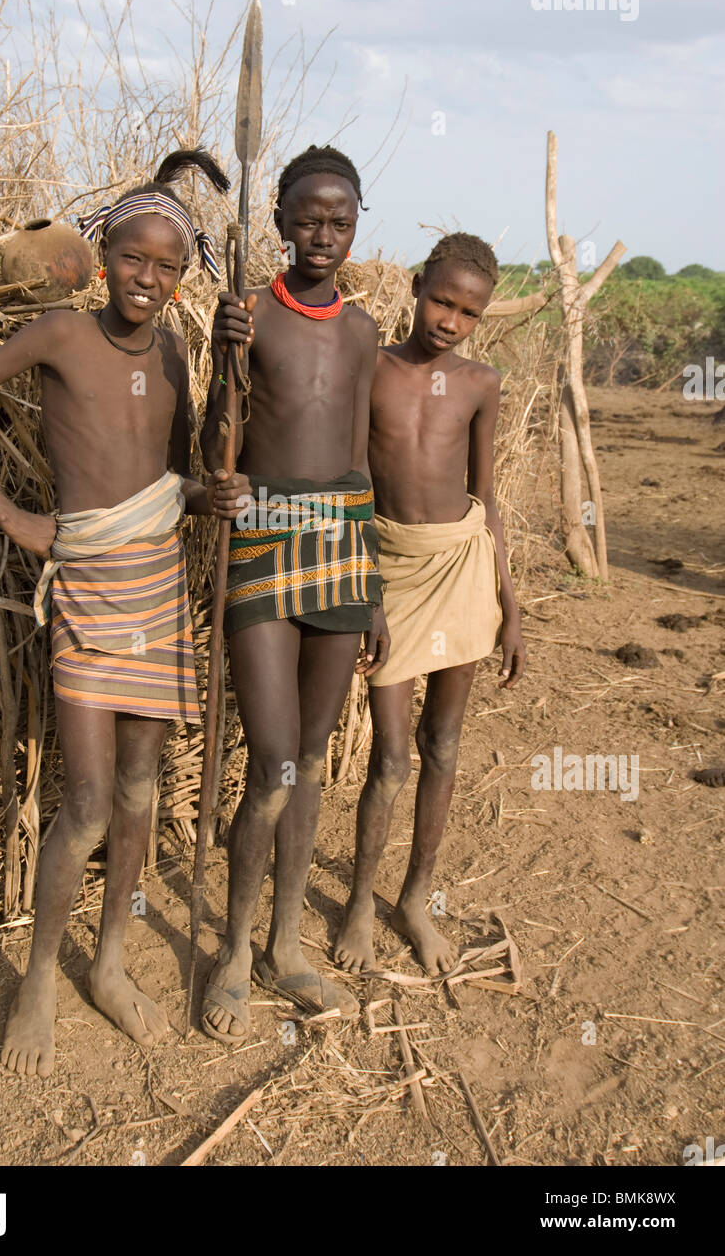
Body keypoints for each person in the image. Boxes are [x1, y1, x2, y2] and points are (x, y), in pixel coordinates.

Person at [0, 149, 246, 1076]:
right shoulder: (59, 333)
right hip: (90, 588)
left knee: (138, 792)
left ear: (183, 279)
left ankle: (109, 966)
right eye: (134, 258)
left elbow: (178, 471)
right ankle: (38, 984)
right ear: (105, 256)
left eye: (169, 267)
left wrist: (213, 488)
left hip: (159, 583)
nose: (150, 279)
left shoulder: (176, 348)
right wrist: (3, 512)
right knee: (89, 800)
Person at [198, 145, 389, 1043]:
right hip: (265, 538)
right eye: (307, 217)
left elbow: (356, 457)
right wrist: (221, 363)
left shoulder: (361, 329)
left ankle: (284, 947)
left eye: (340, 221)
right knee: (273, 760)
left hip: (343, 545)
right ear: (275, 219)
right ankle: (232, 952)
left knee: (311, 760)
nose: (323, 235)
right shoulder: (245, 320)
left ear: (356, 227)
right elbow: (212, 447)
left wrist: (374, 582)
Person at [334, 232, 526, 978]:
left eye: (468, 311)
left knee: (443, 744)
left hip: (463, 565)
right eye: (441, 300)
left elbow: (487, 499)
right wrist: (366, 592)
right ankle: (357, 901)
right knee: (390, 755)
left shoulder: (481, 384)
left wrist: (511, 604)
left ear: (482, 318)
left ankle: (415, 899)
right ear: (416, 287)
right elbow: (353, 482)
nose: (449, 320)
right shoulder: (372, 368)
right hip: (392, 566)